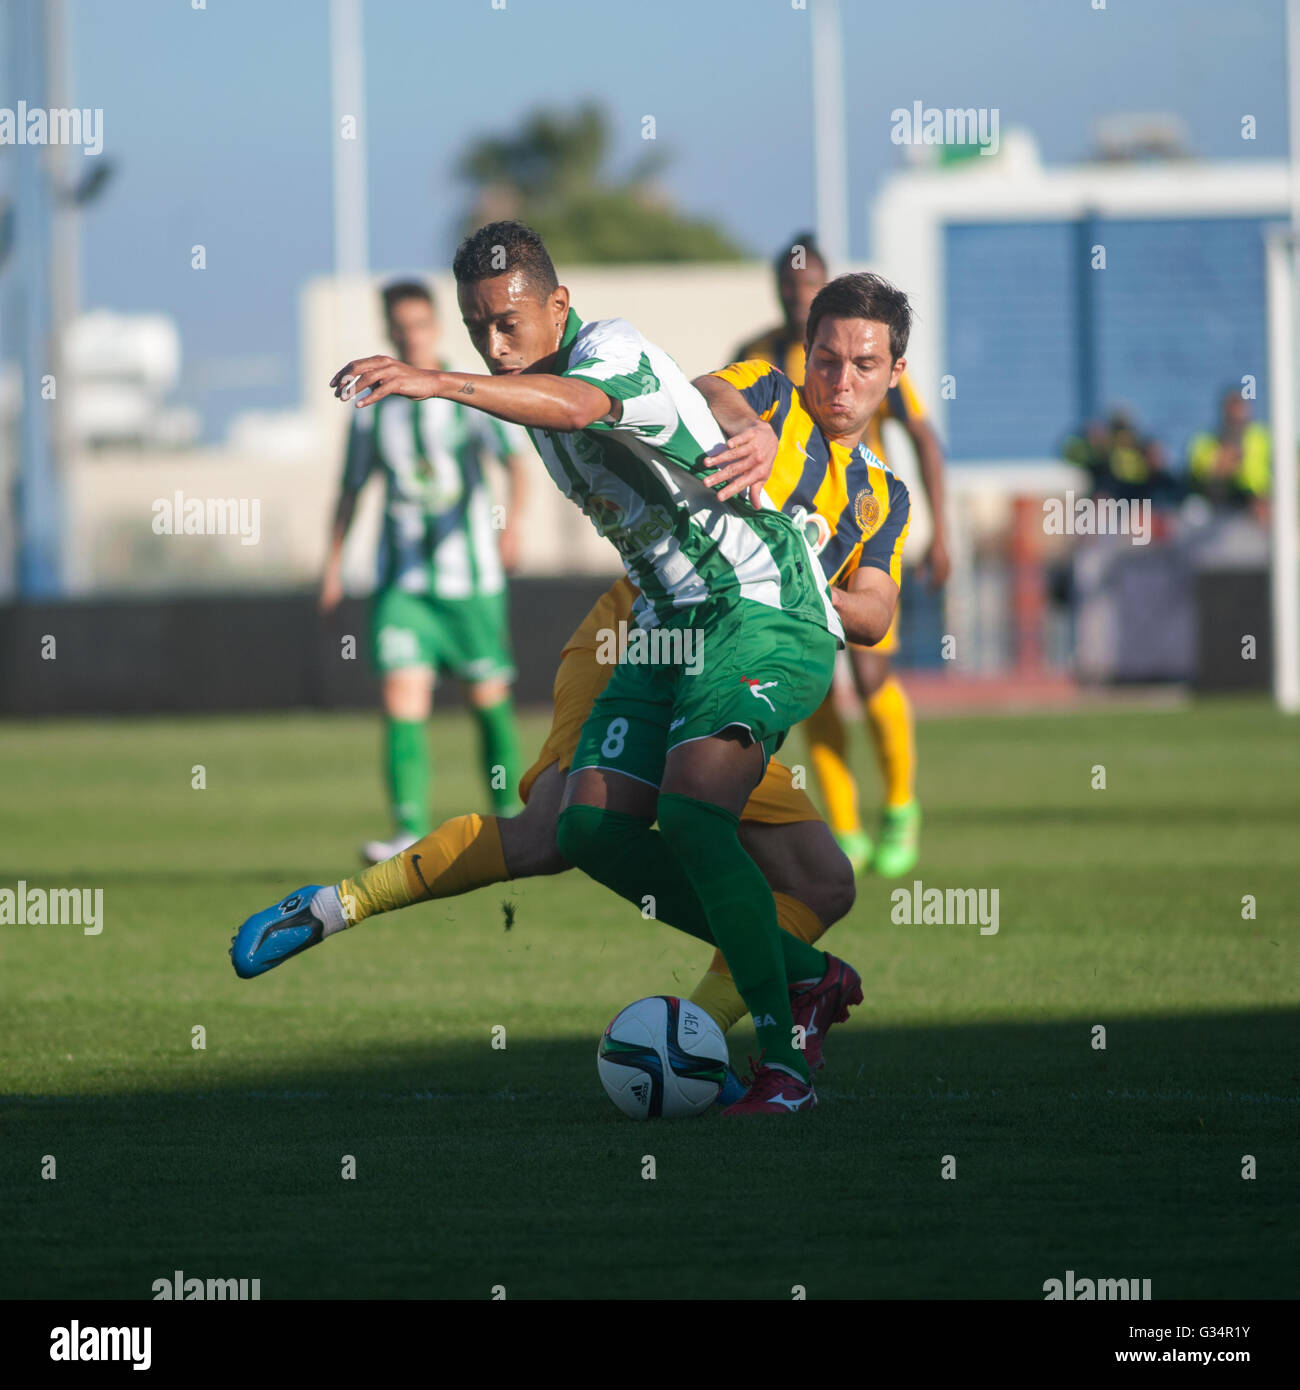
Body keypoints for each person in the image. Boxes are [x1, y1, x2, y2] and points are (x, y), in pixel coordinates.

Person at [235, 221, 912, 1116]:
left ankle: (783, 1070)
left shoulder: (612, 355)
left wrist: (441, 381)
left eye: (508, 323)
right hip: (658, 620)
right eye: (478, 327)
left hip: (756, 612)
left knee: (716, 829)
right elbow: (718, 394)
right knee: (582, 832)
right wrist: (750, 429)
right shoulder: (752, 389)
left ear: (559, 305)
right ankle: (804, 977)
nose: (493, 343)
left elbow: (587, 405)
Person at [737, 233, 948, 877]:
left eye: (809, 283)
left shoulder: (867, 345)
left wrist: (945, 530)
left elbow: (922, 437)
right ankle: (847, 826)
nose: (843, 377)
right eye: (790, 288)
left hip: (863, 524)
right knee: (819, 686)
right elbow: (716, 403)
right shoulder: (761, 360)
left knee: (873, 674)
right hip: (792, 524)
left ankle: (902, 807)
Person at [319, 280, 528, 865]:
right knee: (400, 697)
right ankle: (408, 829)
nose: (411, 334)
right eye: (400, 326)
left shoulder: (467, 393)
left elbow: (515, 464)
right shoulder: (370, 409)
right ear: (390, 330)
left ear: (434, 325)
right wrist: (333, 564)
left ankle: (510, 820)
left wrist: (512, 526)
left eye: (419, 324)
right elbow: (351, 488)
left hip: (471, 581)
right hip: (402, 582)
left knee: (487, 695)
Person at [1188, 390, 1271, 515]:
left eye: (1241, 416)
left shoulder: (1263, 438)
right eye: (1233, 418)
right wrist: (1229, 459)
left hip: (1262, 502)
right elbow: (1206, 480)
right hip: (1223, 506)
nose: (1238, 424)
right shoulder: (1205, 443)